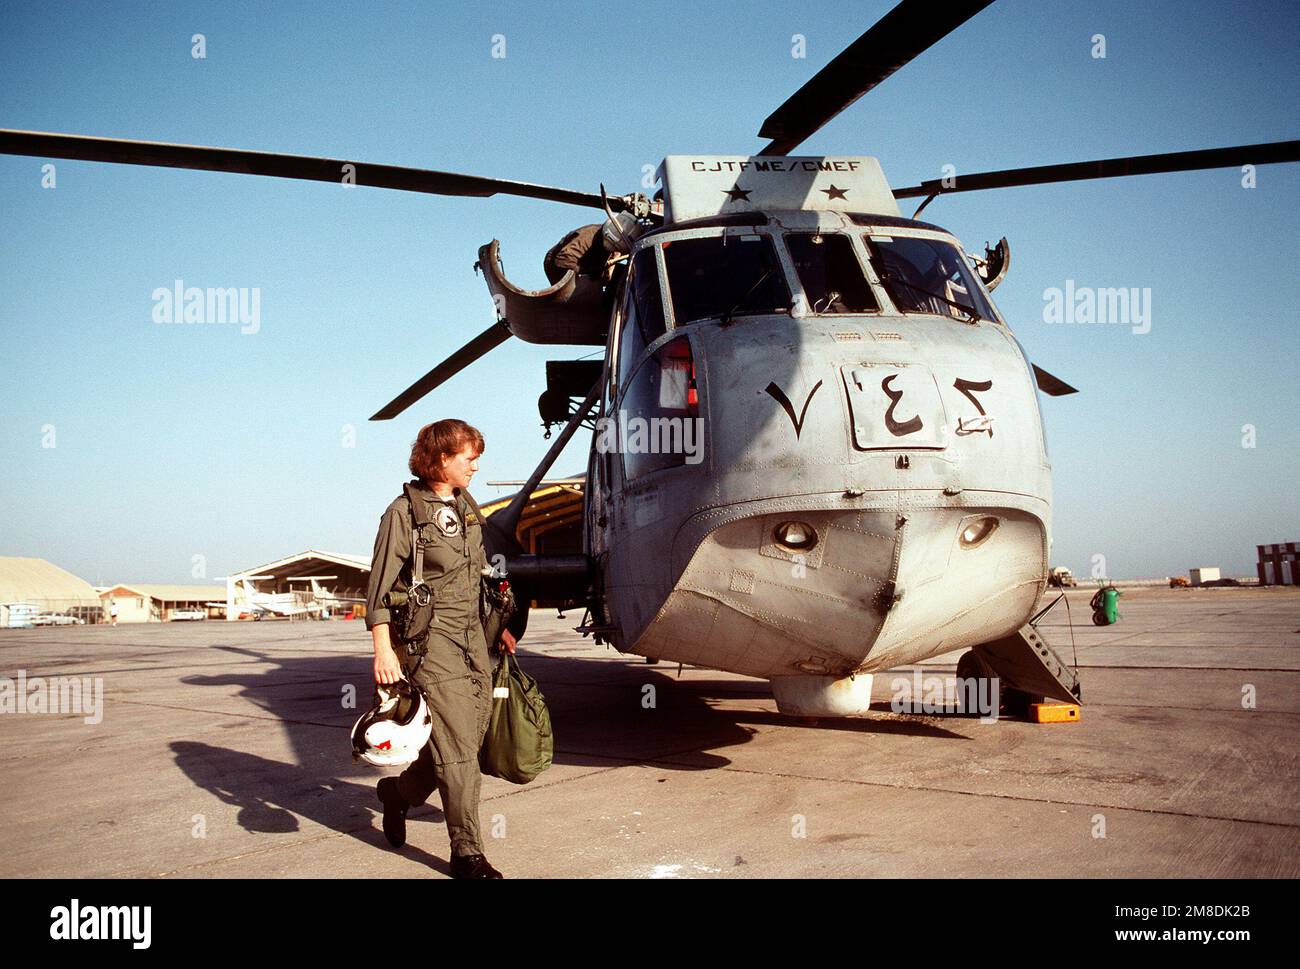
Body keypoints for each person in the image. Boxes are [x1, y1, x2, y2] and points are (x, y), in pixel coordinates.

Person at [365, 418, 517, 879]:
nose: (476, 465)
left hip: (475, 639)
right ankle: (467, 853)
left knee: (464, 739)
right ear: (441, 458)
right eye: (469, 457)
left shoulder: (466, 506)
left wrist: (498, 627)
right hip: (431, 644)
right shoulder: (403, 514)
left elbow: (476, 573)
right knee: (459, 750)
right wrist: (383, 650)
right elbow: (378, 589)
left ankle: (398, 794)